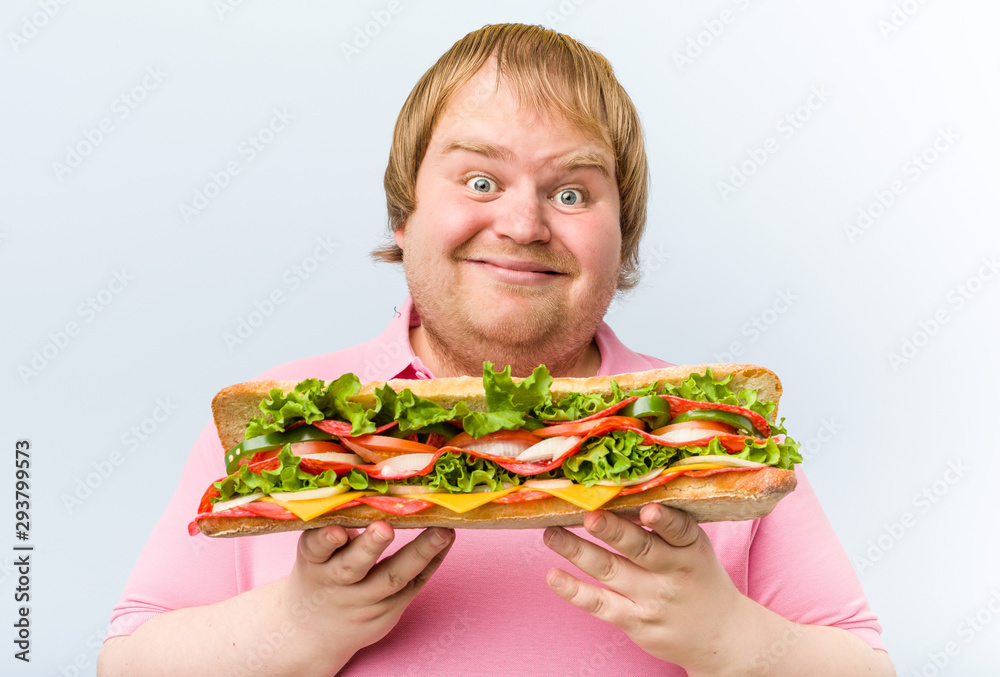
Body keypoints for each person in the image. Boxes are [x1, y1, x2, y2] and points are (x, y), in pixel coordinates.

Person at [98, 24, 894, 676]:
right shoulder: (278, 424)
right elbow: (126, 663)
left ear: (624, 240)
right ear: (405, 216)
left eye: (573, 192)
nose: (522, 224)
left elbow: (865, 665)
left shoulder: (709, 430)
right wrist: (299, 625)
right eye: (480, 182)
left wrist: (731, 639)